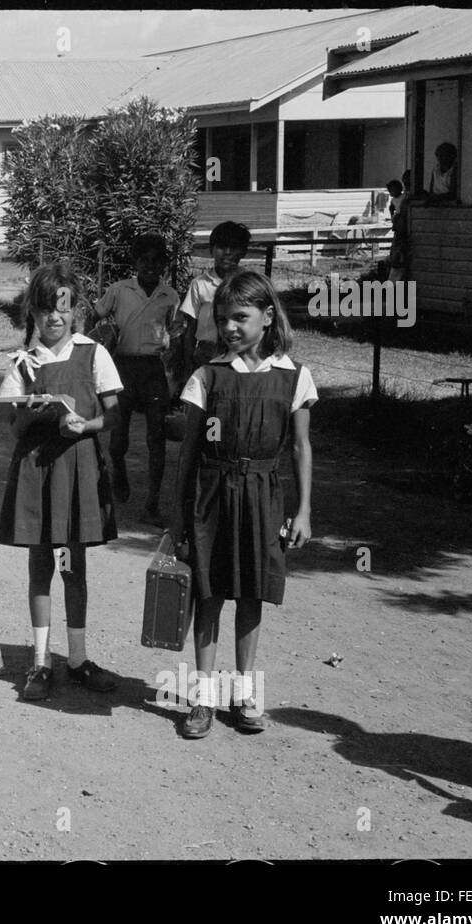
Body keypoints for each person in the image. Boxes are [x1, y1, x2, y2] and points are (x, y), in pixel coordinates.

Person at [170, 270, 315, 739]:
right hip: (212, 495)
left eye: (241, 317)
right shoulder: (207, 376)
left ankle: (246, 692)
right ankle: (204, 697)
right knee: (209, 594)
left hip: (263, 496)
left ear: (267, 317)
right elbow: (189, 452)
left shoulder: (294, 376)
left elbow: (299, 448)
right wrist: (179, 517)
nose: (230, 327)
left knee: (252, 594)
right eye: (223, 318)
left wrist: (304, 510)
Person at [0, 262, 123, 702]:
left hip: (77, 471)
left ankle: (79, 658)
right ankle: (40, 661)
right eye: (46, 309)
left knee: (73, 568)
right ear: (32, 313)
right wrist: (30, 410)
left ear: (76, 312)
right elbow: (13, 425)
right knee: (40, 569)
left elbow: (112, 415)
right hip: (37, 473)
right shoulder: (22, 363)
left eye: (63, 309)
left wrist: (84, 426)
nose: (55, 318)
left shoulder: (94, 353)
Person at [92, 232, 183, 522]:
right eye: (144, 260)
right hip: (121, 367)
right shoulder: (119, 290)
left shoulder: (170, 296)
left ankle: (152, 503)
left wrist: (176, 366)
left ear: (165, 265)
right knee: (118, 435)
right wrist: (100, 339)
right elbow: (95, 316)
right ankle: (118, 467)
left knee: (157, 436)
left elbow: (176, 331)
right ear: (136, 262)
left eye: (157, 261)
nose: (150, 266)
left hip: (153, 369)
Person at [179, 220, 250, 372]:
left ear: (243, 251)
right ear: (212, 250)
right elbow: (190, 329)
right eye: (222, 247)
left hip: (242, 352)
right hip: (206, 353)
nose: (228, 252)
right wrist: (187, 364)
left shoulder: (251, 285)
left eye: (234, 247)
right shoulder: (200, 284)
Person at [385, 177, 410, 283]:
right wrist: (392, 215)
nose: (392, 193)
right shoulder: (393, 200)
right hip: (398, 220)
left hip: (402, 221)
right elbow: (391, 208)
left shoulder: (404, 197)